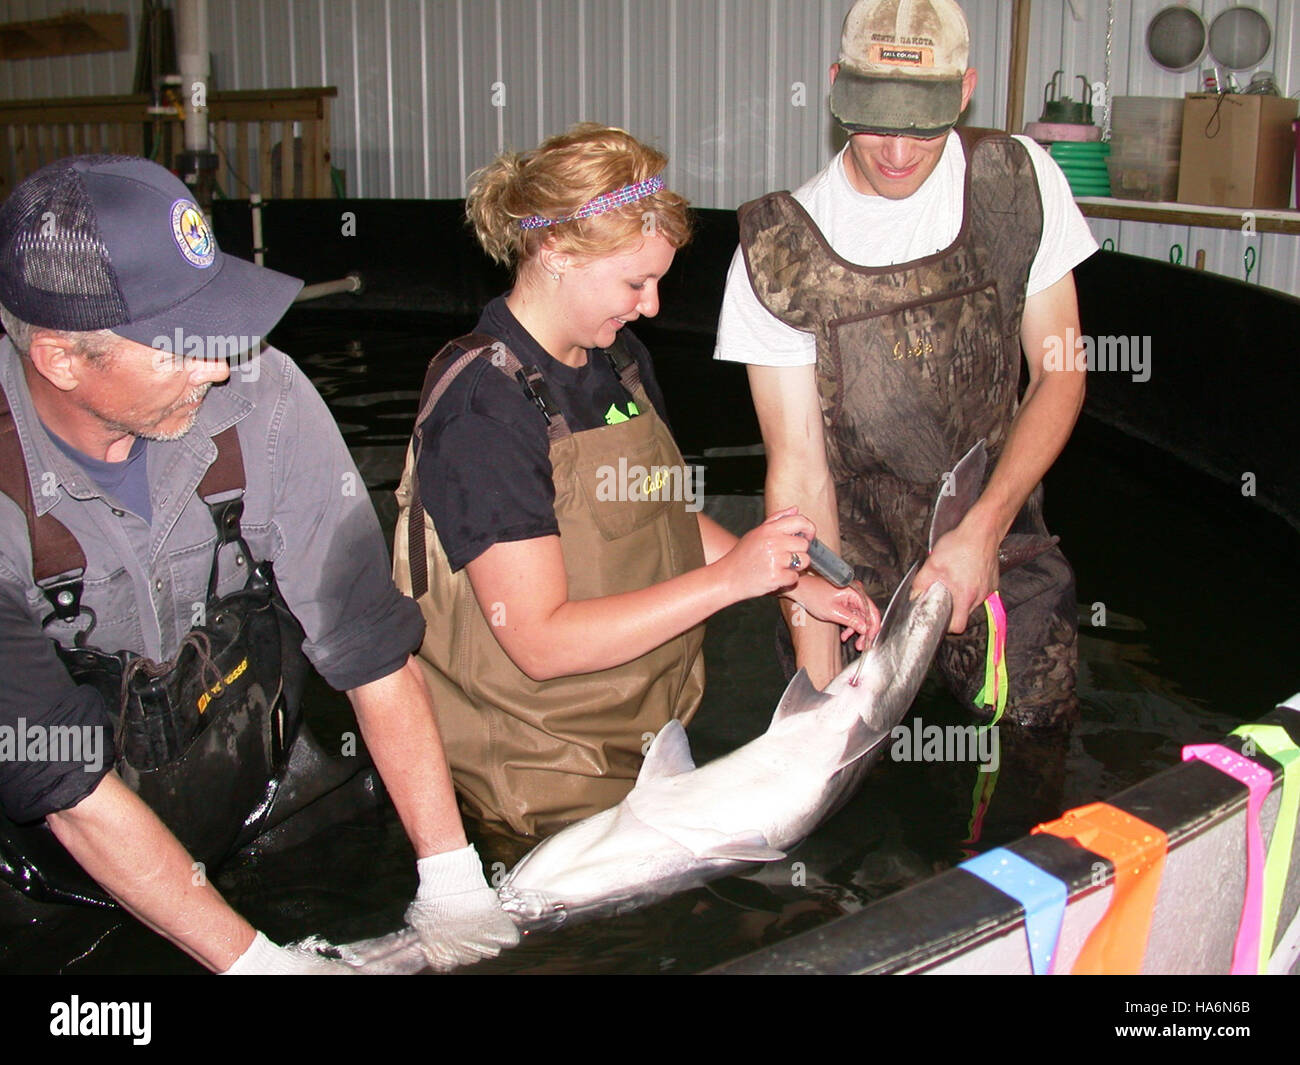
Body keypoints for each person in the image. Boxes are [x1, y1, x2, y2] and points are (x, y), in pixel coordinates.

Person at [0, 155, 519, 973]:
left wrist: (452, 876)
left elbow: (368, 645)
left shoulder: (262, 395)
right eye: (179, 346)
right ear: (63, 359)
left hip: (260, 799)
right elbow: (58, 778)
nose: (218, 364)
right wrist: (259, 965)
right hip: (47, 860)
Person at [394, 123, 873, 839]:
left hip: (649, 745)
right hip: (537, 790)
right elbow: (538, 642)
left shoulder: (617, 361)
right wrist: (731, 581)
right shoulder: (484, 409)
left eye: (657, 282)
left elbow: (665, 518)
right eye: (634, 282)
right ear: (554, 250)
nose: (650, 305)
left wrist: (797, 581)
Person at [716, 0, 1096, 727]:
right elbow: (800, 470)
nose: (895, 150)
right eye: (874, 119)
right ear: (835, 84)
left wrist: (983, 529)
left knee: (1034, 775)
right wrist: (821, 694)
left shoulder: (1018, 183)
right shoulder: (778, 251)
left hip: (1002, 548)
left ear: (964, 90)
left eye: (922, 123)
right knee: (845, 785)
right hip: (854, 587)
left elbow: (1060, 371)